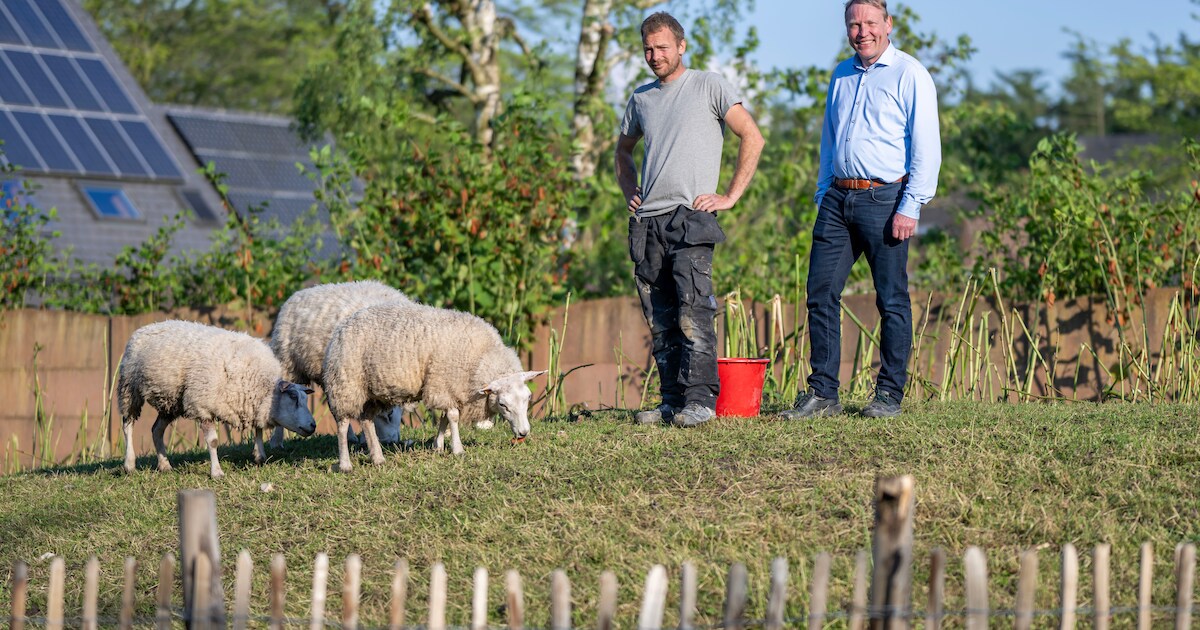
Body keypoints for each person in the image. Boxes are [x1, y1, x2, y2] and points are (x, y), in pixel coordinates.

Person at [780, 0, 941, 420]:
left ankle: (888, 394)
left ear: (888, 24)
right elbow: (830, 139)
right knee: (820, 292)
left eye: (870, 22)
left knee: (891, 299)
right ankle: (823, 394)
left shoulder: (911, 74)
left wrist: (912, 205)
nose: (862, 31)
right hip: (837, 198)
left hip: (886, 200)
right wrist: (822, 191)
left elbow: (927, 146)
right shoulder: (841, 74)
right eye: (854, 24)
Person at [615, 12, 764, 428]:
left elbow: (752, 135)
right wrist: (631, 192)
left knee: (693, 310)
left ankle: (699, 402)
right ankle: (671, 402)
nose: (654, 55)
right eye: (648, 48)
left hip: (691, 218)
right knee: (660, 319)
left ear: (681, 46)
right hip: (648, 222)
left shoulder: (708, 85)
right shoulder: (641, 99)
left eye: (662, 47)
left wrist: (730, 196)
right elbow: (623, 152)